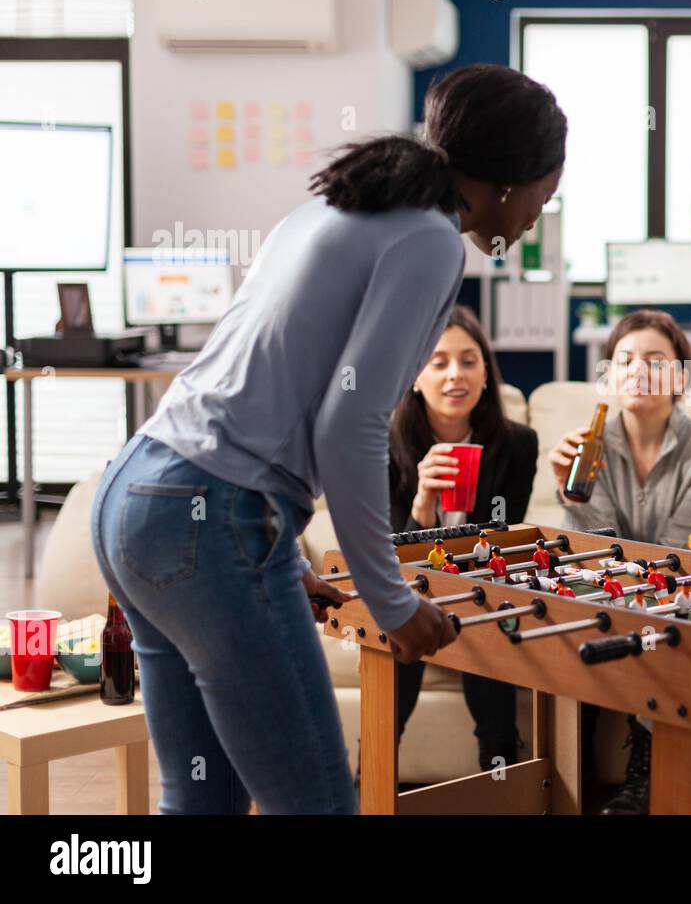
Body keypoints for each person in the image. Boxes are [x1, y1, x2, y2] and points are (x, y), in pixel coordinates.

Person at [89, 64, 566, 814]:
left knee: (200, 798)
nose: (543, 209)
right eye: (547, 187)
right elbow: (349, 421)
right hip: (207, 515)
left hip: (137, 496)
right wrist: (393, 602)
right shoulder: (431, 239)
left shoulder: (334, 208)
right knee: (317, 801)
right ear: (511, 180)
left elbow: (275, 392)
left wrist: (276, 556)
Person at [548, 309, 691, 814]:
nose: (638, 370)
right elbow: (597, 547)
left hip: (679, 591)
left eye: (656, 359)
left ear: (681, 377)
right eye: (624, 360)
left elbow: (674, 555)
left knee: (672, 617)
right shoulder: (590, 445)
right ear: (608, 375)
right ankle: (568, 777)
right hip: (608, 586)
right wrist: (573, 495)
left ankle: (650, 771)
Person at [386, 304, 539, 775]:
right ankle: (364, 789)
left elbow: (497, 543)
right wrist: (423, 506)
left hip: (478, 591)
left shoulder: (518, 444)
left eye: (469, 361)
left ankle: (501, 785)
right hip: (406, 590)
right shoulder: (381, 448)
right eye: (439, 362)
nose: (456, 375)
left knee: (485, 624)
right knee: (402, 633)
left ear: (486, 375)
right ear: (414, 376)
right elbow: (390, 558)